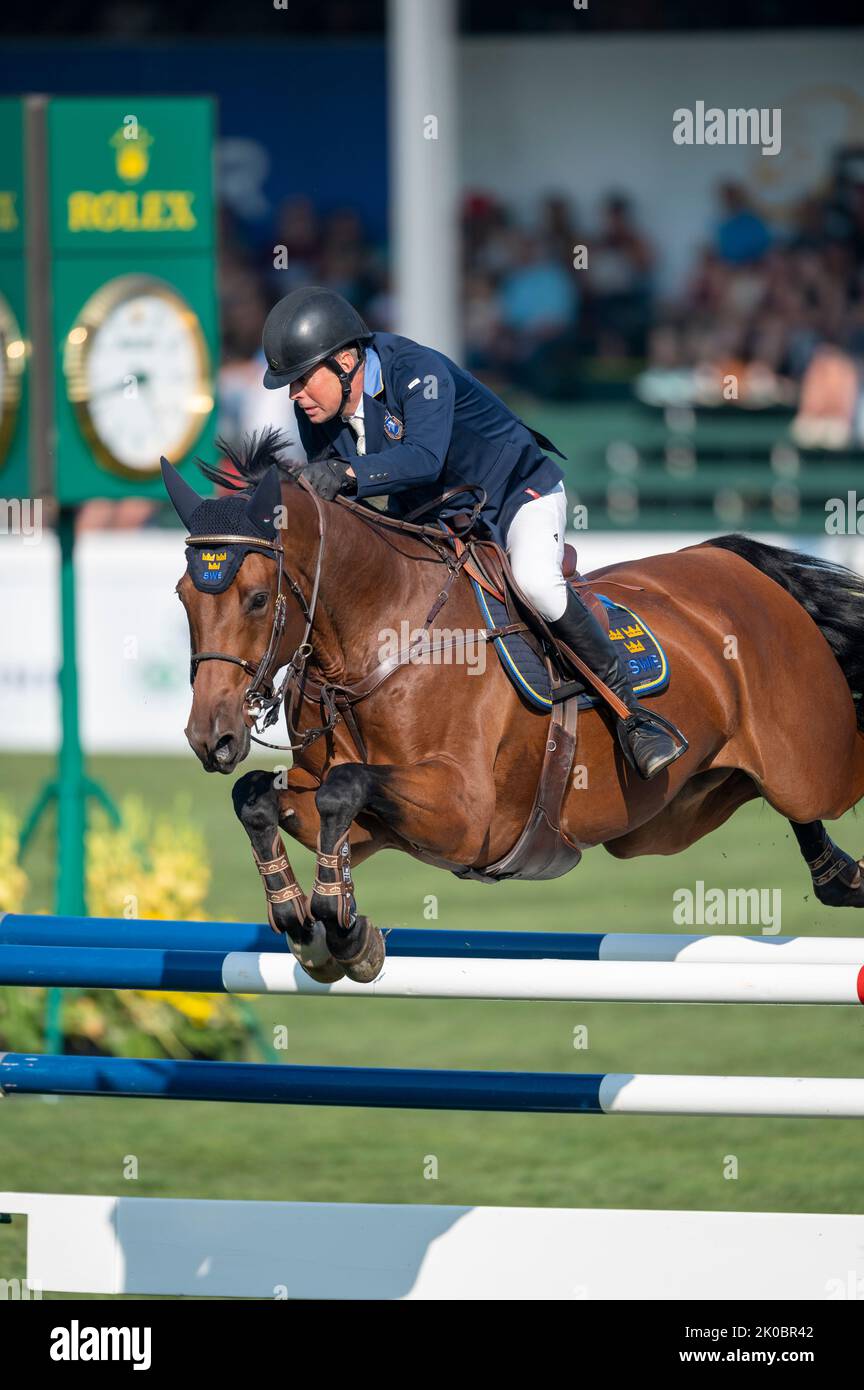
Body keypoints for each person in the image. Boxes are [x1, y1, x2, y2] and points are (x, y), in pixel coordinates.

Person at [261, 286, 685, 779]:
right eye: (289, 385)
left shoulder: (418, 371)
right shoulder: (316, 407)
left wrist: (348, 476)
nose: (295, 395)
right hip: (433, 514)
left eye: (302, 380)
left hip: (514, 495)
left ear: (347, 361)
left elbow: (423, 459)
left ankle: (632, 714)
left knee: (534, 583)